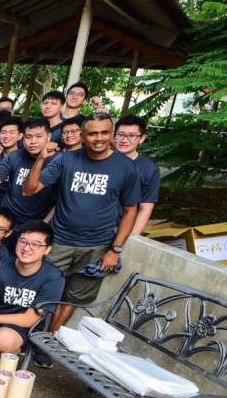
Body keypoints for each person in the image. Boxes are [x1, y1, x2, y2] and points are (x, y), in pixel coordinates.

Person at [23, 112, 140, 341]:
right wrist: (40, 159)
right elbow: (29, 190)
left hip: (97, 246)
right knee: (39, 290)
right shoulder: (67, 160)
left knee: (72, 298)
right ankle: (24, 335)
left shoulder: (126, 167)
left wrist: (114, 250)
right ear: (82, 136)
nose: (99, 137)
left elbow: (130, 211)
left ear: (112, 134)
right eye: (92, 133)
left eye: (104, 132)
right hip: (59, 241)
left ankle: (45, 341)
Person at [0, 221, 66, 356]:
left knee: (3, 340)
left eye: (35, 244)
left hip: (18, 327)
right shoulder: (2, 265)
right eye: (23, 241)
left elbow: (29, 319)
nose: (26, 248)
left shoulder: (53, 277)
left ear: (47, 249)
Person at [0, 118, 56, 228]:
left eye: (38, 136)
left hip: (37, 221)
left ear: (49, 136)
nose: (33, 141)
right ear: (23, 138)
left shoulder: (58, 160)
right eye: (28, 137)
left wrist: (44, 224)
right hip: (7, 217)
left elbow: (62, 201)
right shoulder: (14, 156)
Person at [115, 116, 161, 234]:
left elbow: (145, 209)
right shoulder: (100, 160)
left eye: (132, 136)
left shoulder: (149, 169)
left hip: (121, 229)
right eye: (120, 134)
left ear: (142, 138)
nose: (124, 140)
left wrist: (131, 238)